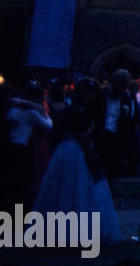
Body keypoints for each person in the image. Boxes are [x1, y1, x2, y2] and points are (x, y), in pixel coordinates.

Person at [32, 106, 122, 248]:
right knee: (78, 190)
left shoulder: (67, 148)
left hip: (69, 150)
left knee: (66, 190)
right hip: (75, 151)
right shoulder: (80, 147)